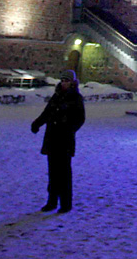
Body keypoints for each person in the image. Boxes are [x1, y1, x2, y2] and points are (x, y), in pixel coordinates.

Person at [31, 70, 86, 213]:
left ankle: (66, 203)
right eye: (62, 80)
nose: (64, 83)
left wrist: (68, 128)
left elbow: (80, 118)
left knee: (64, 173)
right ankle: (52, 201)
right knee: (53, 172)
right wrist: (37, 123)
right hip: (52, 138)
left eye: (67, 81)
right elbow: (47, 112)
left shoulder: (76, 98)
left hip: (65, 141)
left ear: (72, 82)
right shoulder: (56, 96)